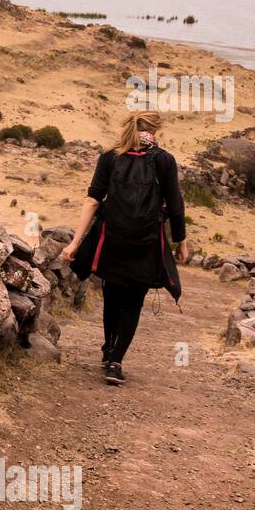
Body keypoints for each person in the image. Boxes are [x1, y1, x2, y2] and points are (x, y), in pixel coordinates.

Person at [60, 112, 190, 385]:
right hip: (146, 244)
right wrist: (181, 242)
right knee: (133, 302)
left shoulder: (110, 156)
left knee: (112, 296)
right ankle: (116, 362)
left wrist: (75, 243)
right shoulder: (165, 160)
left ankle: (109, 348)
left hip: (112, 241)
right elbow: (176, 207)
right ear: (155, 130)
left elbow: (93, 200)